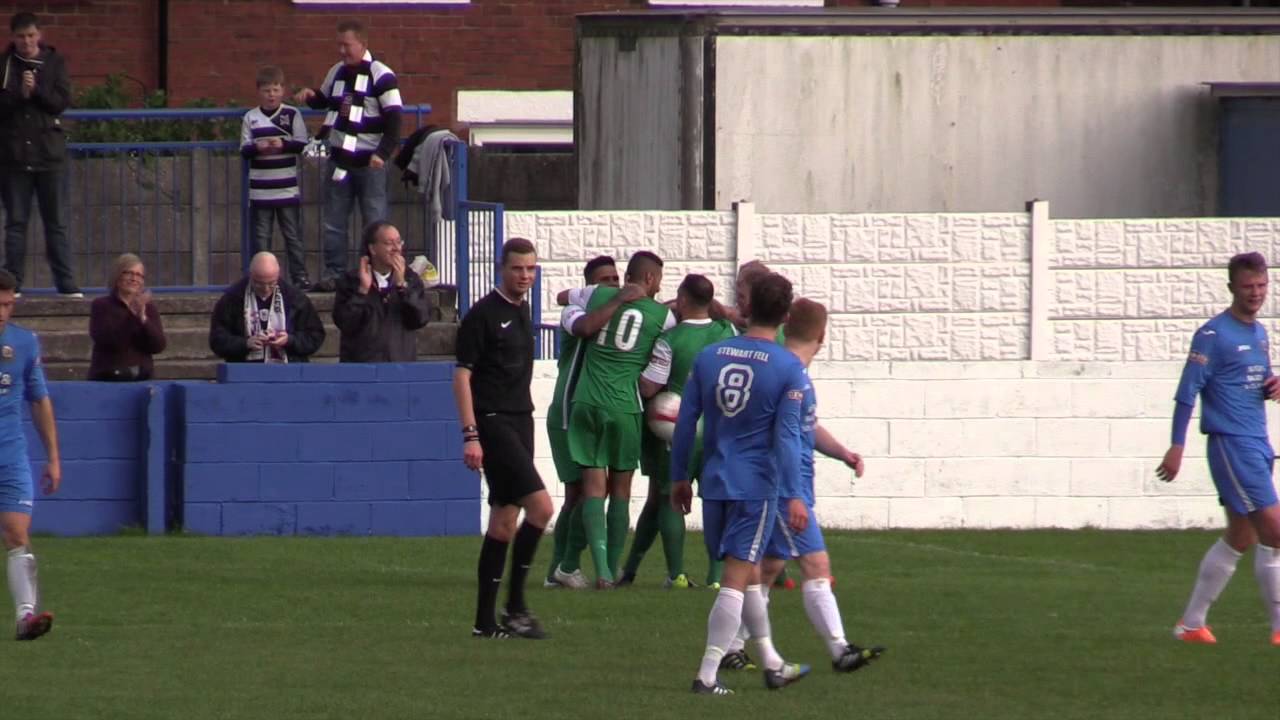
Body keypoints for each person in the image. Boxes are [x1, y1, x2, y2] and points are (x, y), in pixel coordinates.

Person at [670, 272, 810, 695]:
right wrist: (796, 494)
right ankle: (707, 675)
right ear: (785, 314)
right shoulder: (788, 366)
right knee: (736, 575)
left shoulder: (711, 356)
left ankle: (771, 662)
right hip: (755, 487)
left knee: (747, 572)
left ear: (745, 308)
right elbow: (787, 438)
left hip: (714, 481)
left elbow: (684, 421)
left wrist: (679, 476)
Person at [756, 297, 887, 672]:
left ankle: (731, 647)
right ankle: (839, 650)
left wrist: (843, 453)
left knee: (764, 571)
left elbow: (806, 428)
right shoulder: (791, 376)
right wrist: (793, 494)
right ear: (823, 335)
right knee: (816, 564)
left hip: (787, 487)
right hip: (786, 489)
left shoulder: (790, 373)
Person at [1158, 251, 1280, 647]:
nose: (1256, 293)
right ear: (1232, 287)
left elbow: (1254, 379)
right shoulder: (1212, 335)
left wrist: (1274, 383)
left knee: (1241, 535)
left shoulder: (1259, 333)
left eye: (1262, 285)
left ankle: (1192, 624)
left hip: (1257, 441)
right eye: (1248, 286)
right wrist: (1177, 446)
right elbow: (1186, 392)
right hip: (1231, 444)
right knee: (1276, 530)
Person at [453, 237, 553, 639]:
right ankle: (515, 608)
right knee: (543, 509)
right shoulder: (483, 315)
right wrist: (471, 434)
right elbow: (462, 376)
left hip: (520, 420)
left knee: (504, 522)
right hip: (493, 422)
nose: (525, 276)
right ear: (501, 268)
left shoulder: (523, 310)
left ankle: (483, 622)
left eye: (530, 269)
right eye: (517, 269)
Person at [563, 251, 675, 587]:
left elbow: (562, 297)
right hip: (625, 406)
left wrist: (609, 296)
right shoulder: (663, 318)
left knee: (593, 488)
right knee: (622, 490)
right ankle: (612, 568)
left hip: (586, 400)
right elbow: (654, 376)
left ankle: (600, 570)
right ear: (651, 279)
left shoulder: (597, 293)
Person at [619, 273, 737, 589]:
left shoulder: (669, 341)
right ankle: (715, 578)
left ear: (682, 300)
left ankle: (677, 574)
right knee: (715, 498)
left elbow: (650, 385)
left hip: (676, 430)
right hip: (719, 428)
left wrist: (636, 382)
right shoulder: (726, 332)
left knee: (669, 496)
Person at [542, 255, 644, 589]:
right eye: (604, 280)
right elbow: (584, 325)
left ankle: (574, 568)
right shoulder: (576, 312)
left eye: (616, 279)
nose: (612, 285)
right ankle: (560, 569)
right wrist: (615, 299)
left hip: (601, 410)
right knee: (578, 494)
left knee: (600, 491)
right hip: (569, 410)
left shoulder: (624, 313)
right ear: (588, 286)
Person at [295, 20, 402, 292]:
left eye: (347, 45)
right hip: (340, 160)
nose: (342, 50)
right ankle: (335, 274)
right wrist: (310, 96)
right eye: (339, 44)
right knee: (334, 221)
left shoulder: (381, 74)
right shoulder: (337, 72)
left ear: (362, 45)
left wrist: (382, 153)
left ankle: (377, 275)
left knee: (375, 223)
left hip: (370, 163)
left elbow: (394, 119)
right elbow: (326, 100)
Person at [0, 12, 79, 297]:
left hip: (49, 157)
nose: (26, 41)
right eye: (21, 36)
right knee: (16, 224)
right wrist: (20, 93)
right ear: (13, 37)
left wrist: (36, 92)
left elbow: (60, 102)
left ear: (39, 35)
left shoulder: (54, 63)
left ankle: (66, 285)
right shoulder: (5, 65)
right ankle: (13, 285)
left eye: (31, 35)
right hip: (14, 158)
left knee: (55, 223)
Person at [0, 269, 60, 640]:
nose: (3, 311)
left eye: (7, 304)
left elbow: (38, 399)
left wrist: (53, 456)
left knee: (17, 532)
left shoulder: (23, 343)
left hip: (10, 454)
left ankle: (26, 618)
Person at [240, 65, 310, 289]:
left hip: (287, 187)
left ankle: (300, 276)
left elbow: (301, 143)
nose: (271, 95)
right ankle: (261, 278)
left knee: (293, 236)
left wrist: (283, 144)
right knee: (262, 238)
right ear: (259, 92)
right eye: (267, 90)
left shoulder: (291, 114)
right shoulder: (251, 117)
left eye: (276, 90)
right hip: (260, 189)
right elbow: (244, 149)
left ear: (283, 91)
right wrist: (258, 147)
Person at [332, 221, 430, 363]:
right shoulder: (351, 280)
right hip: (361, 369)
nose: (396, 248)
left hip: (400, 367)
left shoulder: (411, 279)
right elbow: (345, 323)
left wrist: (402, 287)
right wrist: (362, 291)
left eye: (399, 242)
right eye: (389, 243)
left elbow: (420, 319)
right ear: (372, 248)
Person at [209, 251, 325, 364]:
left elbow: (315, 336)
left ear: (278, 276)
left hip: (289, 368)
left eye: (271, 283)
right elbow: (217, 339)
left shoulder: (295, 298)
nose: (266, 289)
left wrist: (290, 340)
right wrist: (244, 343)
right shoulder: (232, 298)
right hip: (244, 368)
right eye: (259, 283)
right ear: (250, 275)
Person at [88, 253, 166, 381]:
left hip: (142, 379)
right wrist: (133, 314)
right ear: (117, 276)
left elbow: (158, 346)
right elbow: (110, 340)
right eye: (129, 273)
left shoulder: (149, 308)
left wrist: (143, 319)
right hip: (108, 379)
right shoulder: (101, 305)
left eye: (139, 275)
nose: (134, 278)